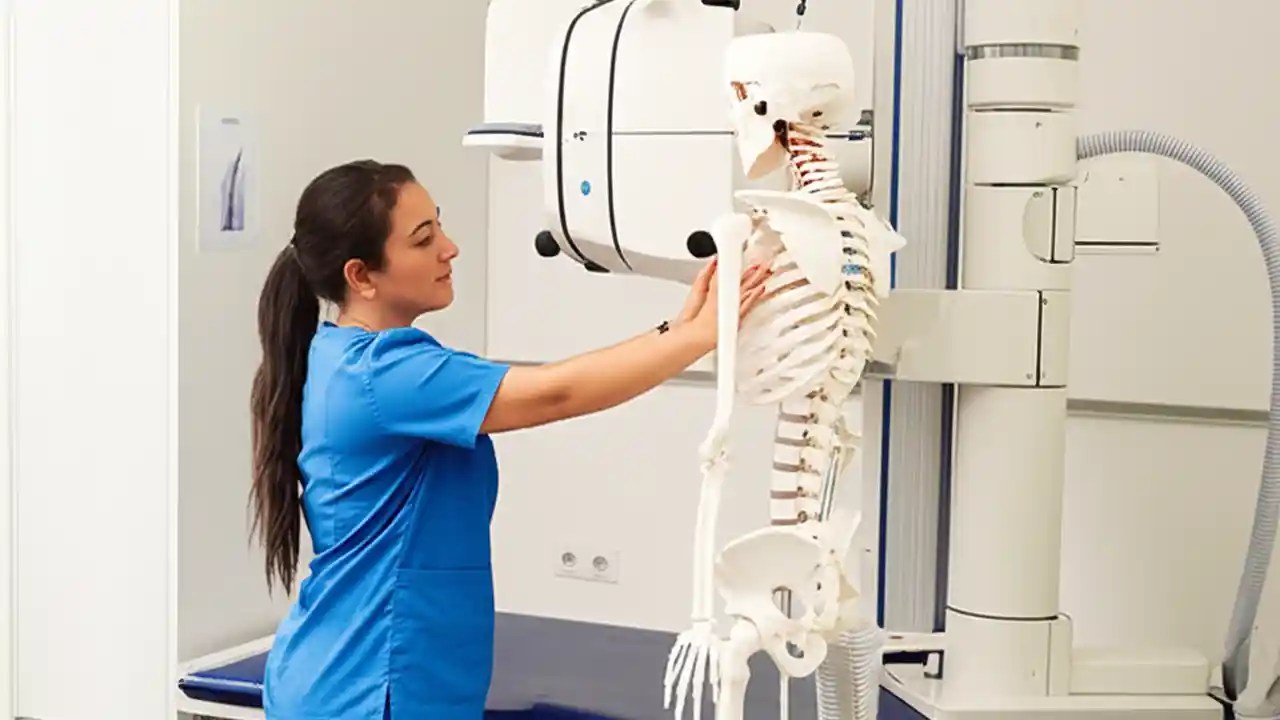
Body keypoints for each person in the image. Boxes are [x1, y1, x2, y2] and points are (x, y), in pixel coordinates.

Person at [249, 159, 770, 719]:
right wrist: (698, 336)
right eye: (424, 240)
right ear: (361, 276)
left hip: (376, 673)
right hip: (370, 686)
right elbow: (555, 394)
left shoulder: (352, 358)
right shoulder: (386, 375)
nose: (450, 248)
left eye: (440, 226)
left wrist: (683, 328)